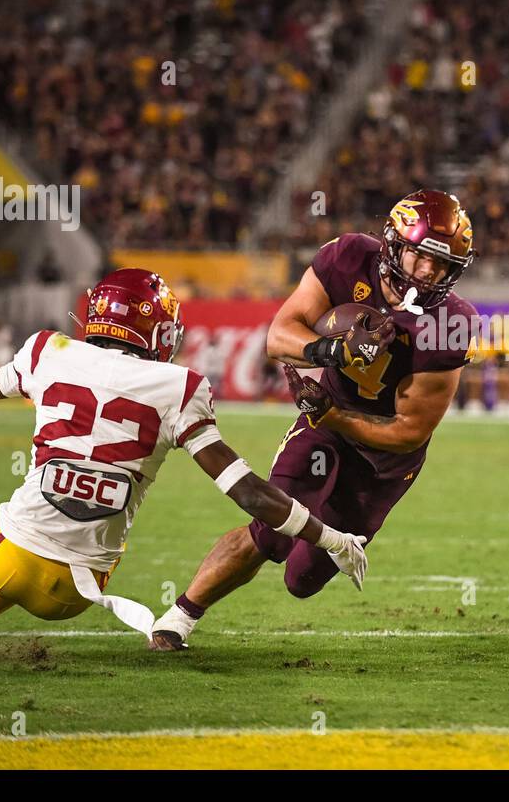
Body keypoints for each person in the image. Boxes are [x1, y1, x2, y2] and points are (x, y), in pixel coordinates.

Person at [0, 270, 365, 656]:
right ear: (151, 327)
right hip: (84, 586)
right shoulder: (181, 387)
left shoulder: (48, 353)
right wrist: (331, 538)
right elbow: (248, 492)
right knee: (61, 536)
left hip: (9, 557)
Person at [150, 190, 477, 650]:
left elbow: (410, 431)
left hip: (383, 460)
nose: (430, 272)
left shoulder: (453, 322)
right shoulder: (347, 258)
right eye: (423, 256)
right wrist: (331, 352)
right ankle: (178, 619)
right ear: (394, 243)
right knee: (273, 532)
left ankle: (322, 543)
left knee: (301, 581)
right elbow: (279, 335)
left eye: (444, 266)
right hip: (324, 423)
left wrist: (335, 415)